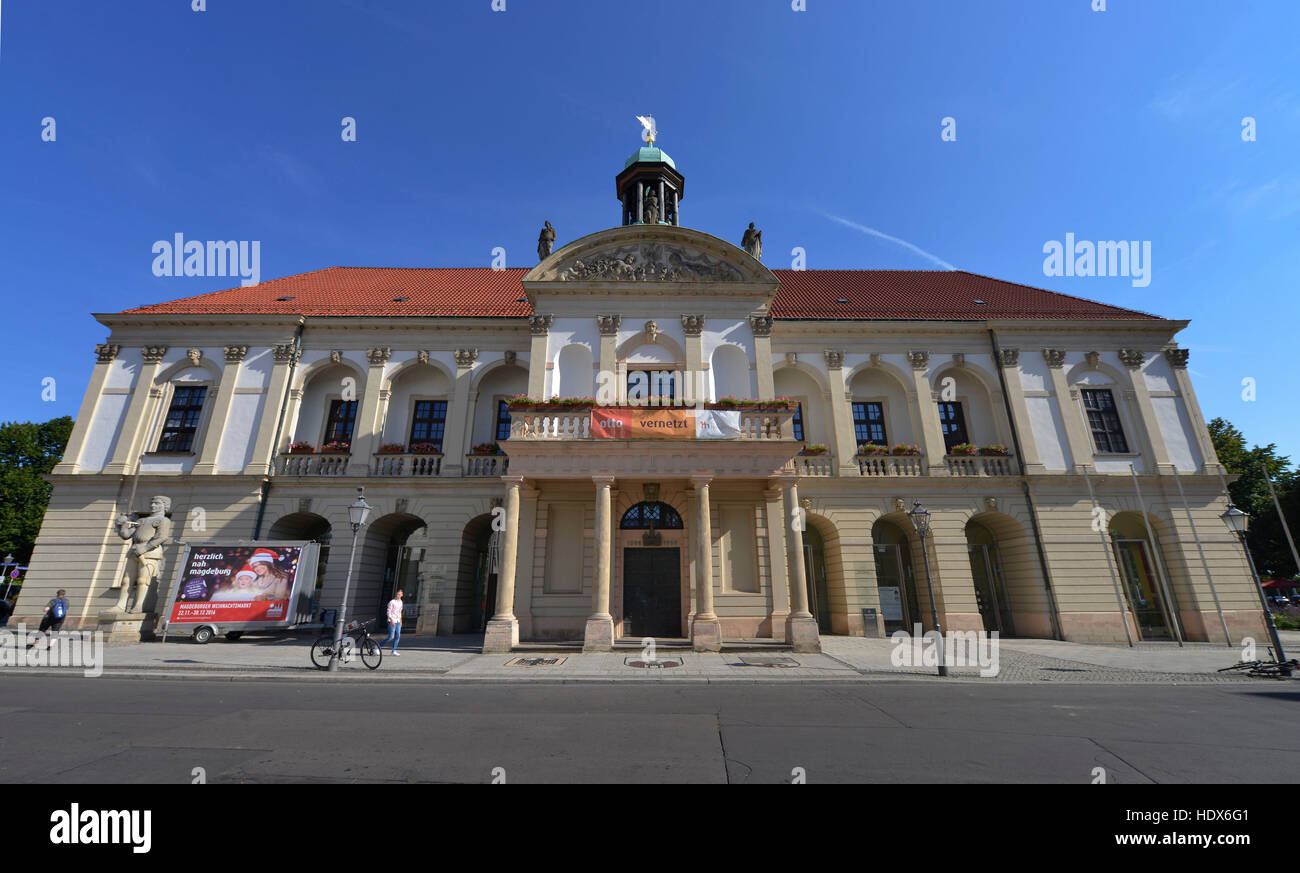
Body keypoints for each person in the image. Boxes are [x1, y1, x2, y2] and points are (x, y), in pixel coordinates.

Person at [382, 589, 404, 656]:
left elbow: (400, 612)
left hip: (398, 621)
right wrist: (391, 620)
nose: (398, 595)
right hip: (392, 620)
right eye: (397, 594)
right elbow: (388, 612)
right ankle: (377, 647)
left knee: (398, 636)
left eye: (400, 594)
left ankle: (393, 651)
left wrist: (401, 621)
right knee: (391, 637)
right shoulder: (392, 602)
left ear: (402, 595)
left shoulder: (401, 602)